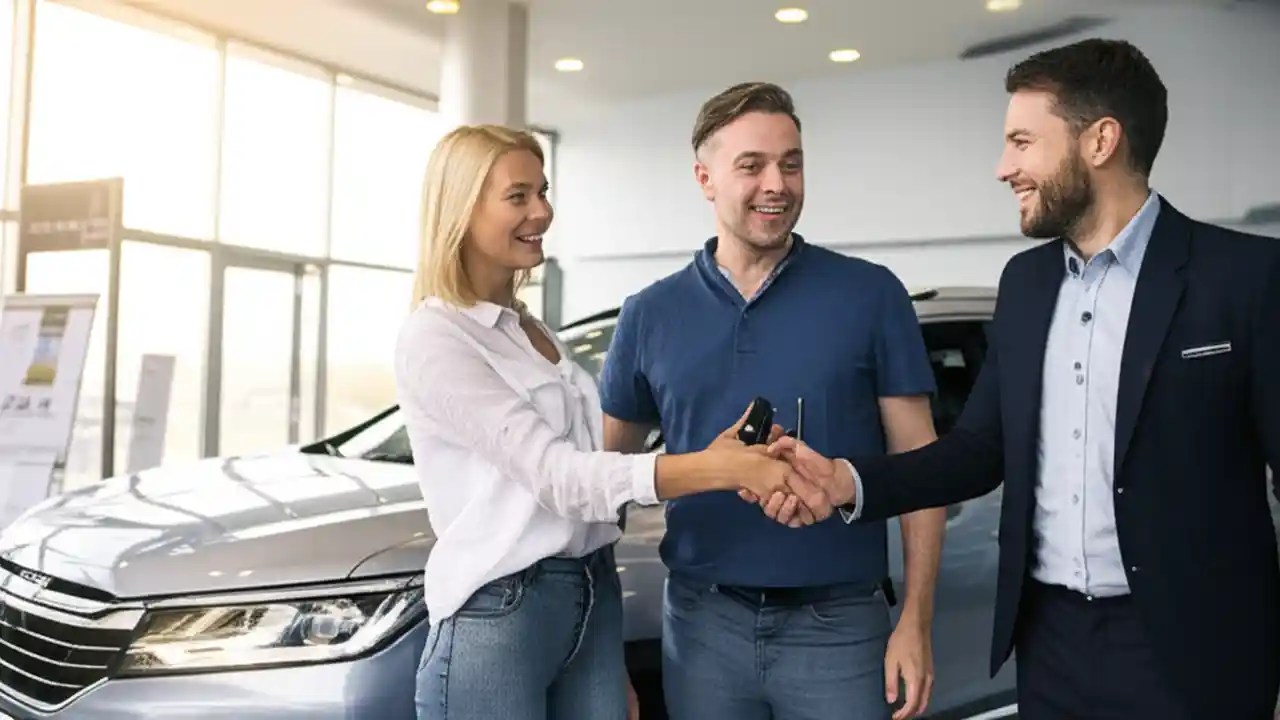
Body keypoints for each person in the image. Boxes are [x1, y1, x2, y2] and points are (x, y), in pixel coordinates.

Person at [765, 38, 1280, 719]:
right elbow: (979, 450)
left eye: (1022, 142)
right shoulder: (1027, 283)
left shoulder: (1245, 278)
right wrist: (845, 482)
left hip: (1198, 651)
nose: (1003, 167)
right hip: (1051, 643)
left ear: (1100, 141)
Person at [394, 124, 799, 720]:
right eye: (518, 196)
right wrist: (709, 469)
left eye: (544, 190)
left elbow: (594, 480)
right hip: (500, 613)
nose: (543, 211)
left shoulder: (528, 330)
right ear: (461, 210)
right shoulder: (437, 336)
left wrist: (710, 455)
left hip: (588, 596)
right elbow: (559, 476)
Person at [598, 83, 946, 720]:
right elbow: (601, 491)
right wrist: (602, 654)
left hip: (840, 623)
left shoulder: (871, 295)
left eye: (791, 162)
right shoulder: (649, 315)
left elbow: (921, 468)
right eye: (751, 166)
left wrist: (917, 620)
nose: (777, 184)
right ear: (705, 178)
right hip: (701, 625)